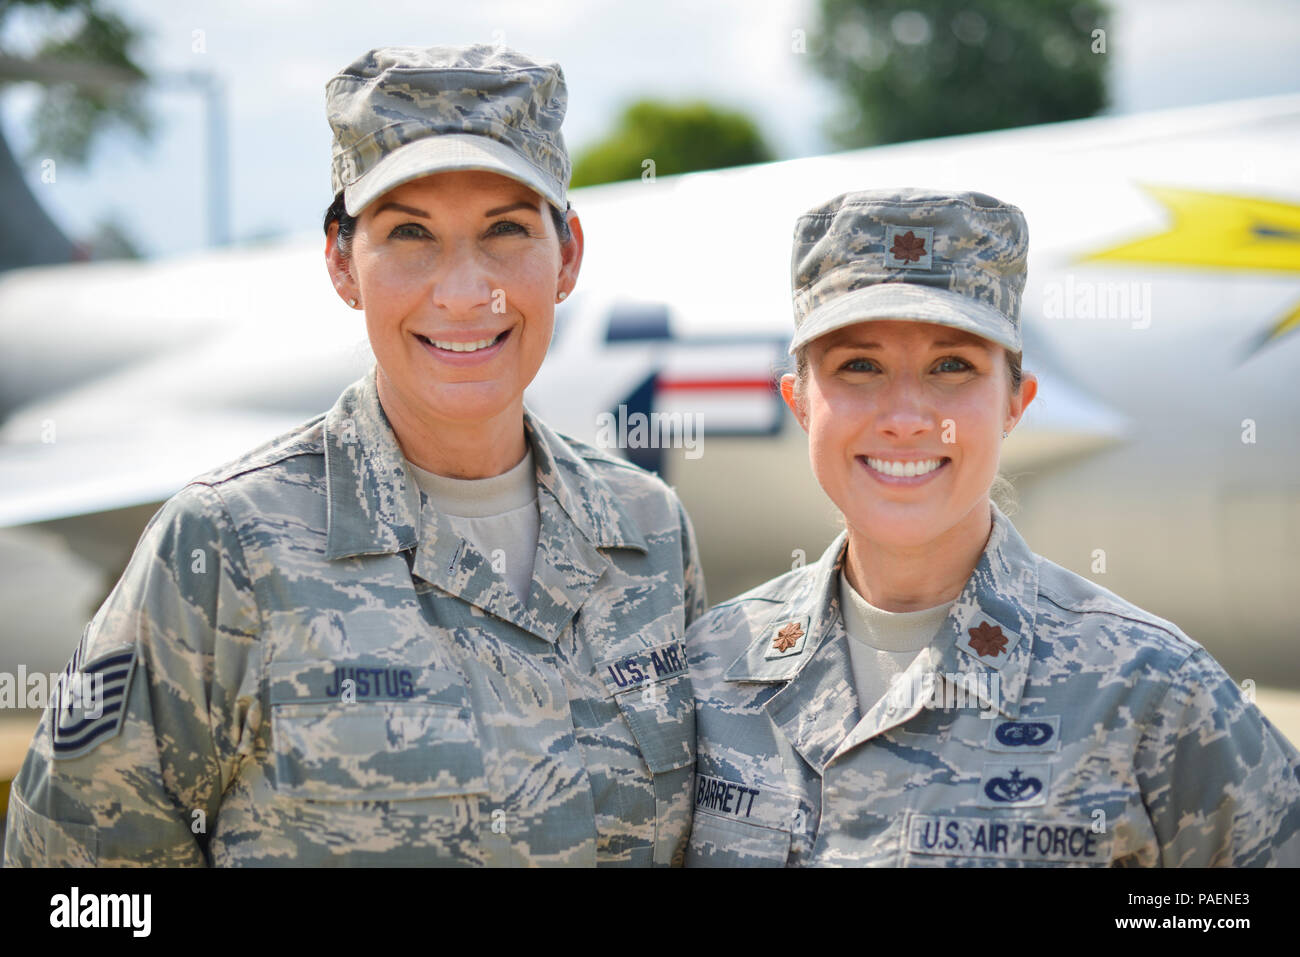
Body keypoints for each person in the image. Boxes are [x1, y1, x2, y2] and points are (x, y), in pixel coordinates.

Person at [4, 44, 705, 867]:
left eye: (506, 229)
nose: (463, 291)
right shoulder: (227, 544)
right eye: (410, 233)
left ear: (569, 254)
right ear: (341, 260)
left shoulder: (648, 534)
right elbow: (74, 888)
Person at [685, 187, 1300, 867]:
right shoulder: (713, 670)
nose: (907, 416)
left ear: (1017, 401)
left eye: (953, 366)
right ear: (799, 402)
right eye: (859, 365)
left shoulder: (1148, 689)